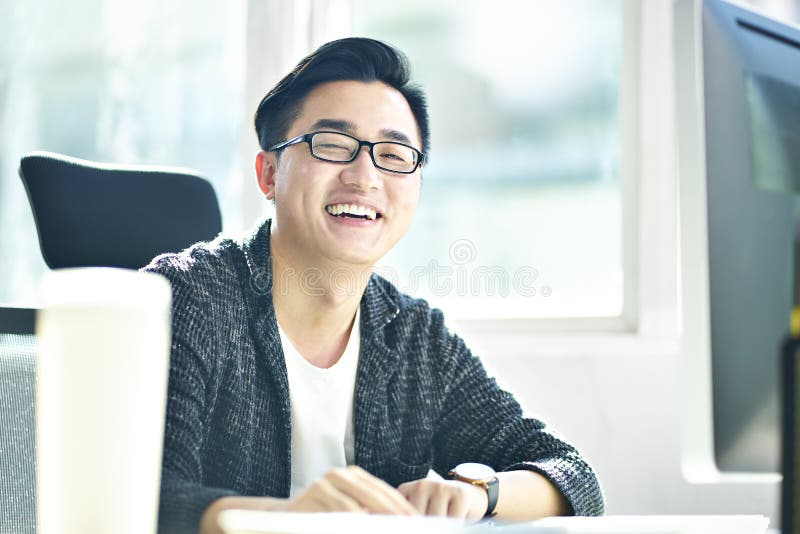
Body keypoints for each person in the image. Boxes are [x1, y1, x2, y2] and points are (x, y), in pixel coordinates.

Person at [143, 37, 604, 534]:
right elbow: (131, 494)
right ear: (269, 173)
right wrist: (281, 520)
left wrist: (478, 494)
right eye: (334, 146)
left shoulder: (414, 338)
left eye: (394, 153)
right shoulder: (185, 301)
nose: (365, 177)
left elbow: (573, 477)